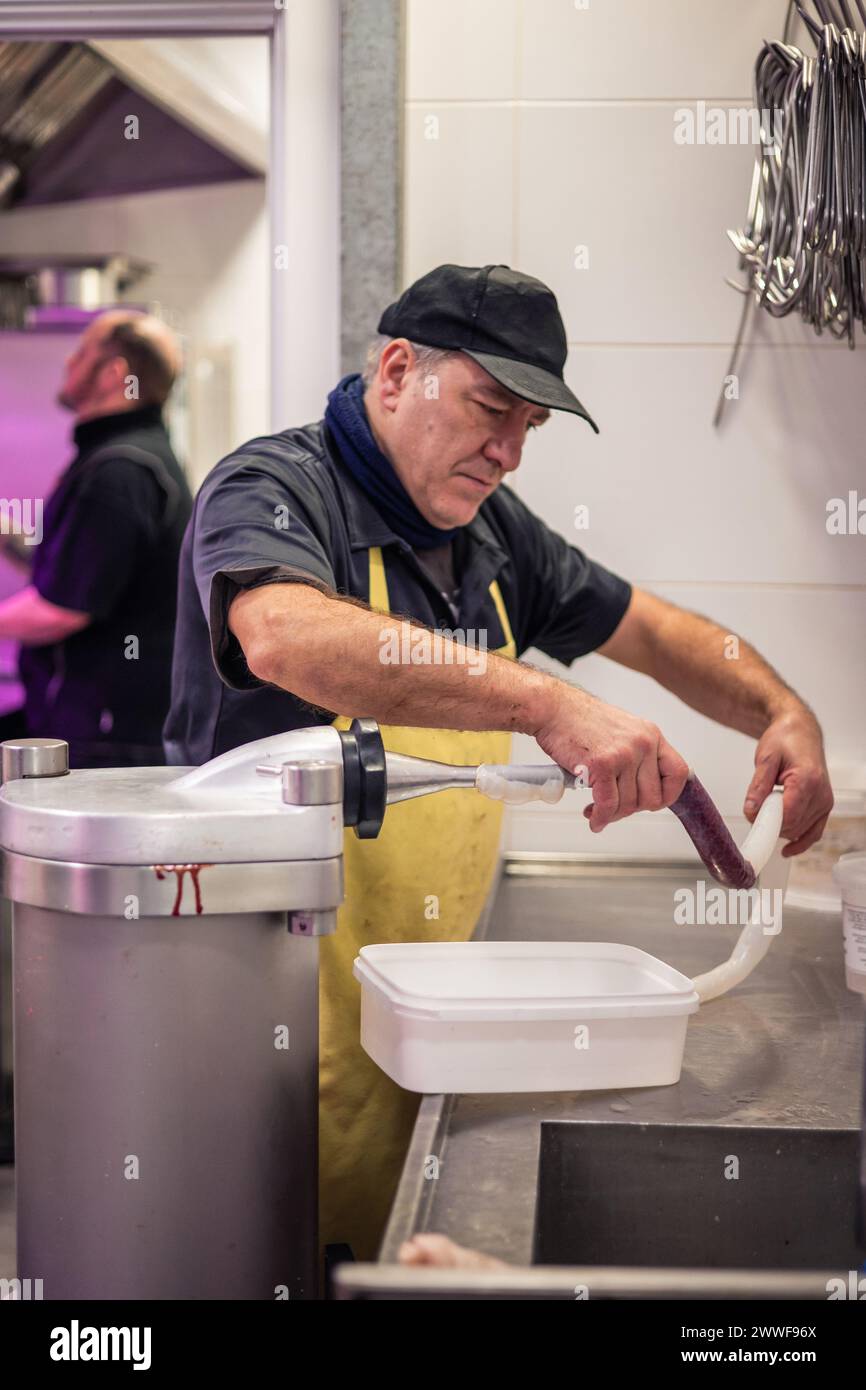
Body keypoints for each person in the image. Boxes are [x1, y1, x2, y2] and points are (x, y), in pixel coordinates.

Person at [163, 263, 833, 1263]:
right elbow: (282, 636)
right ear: (397, 371)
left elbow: (652, 632)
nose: (509, 453)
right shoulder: (273, 486)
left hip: (415, 1020)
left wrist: (781, 709)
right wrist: (544, 701)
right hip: (256, 1031)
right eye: (491, 409)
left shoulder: (489, 536)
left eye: (530, 429)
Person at [0, 310, 192, 767]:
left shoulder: (119, 470)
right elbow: (82, 571)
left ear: (113, 374)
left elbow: (63, 608)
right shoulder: (131, 457)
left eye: (82, 352)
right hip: (103, 723)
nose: (68, 361)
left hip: (106, 735)